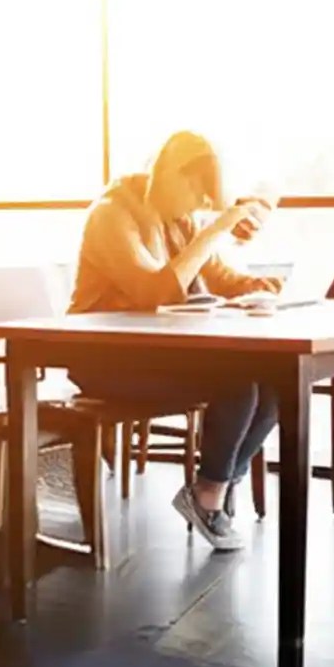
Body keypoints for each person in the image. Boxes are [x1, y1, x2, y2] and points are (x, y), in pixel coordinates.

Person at [68, 130, 283, 551]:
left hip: (152, 354)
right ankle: (210, 495)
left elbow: (220, 277)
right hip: (101, 359)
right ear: (170, 173)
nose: (198, 207)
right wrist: (216, 228)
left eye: (207, 201)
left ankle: (212, 488)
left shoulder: (179, 220)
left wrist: (263, 285)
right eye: (197, 195)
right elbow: (155, 292)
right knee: (236, 384)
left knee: (276, 382)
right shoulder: (112, 214)